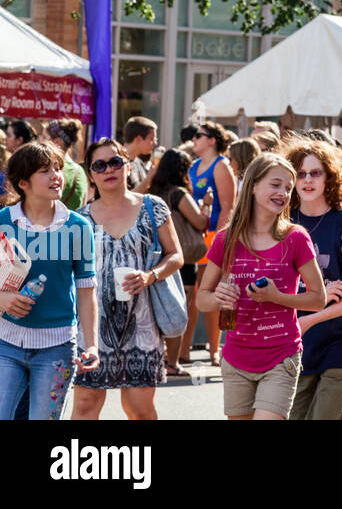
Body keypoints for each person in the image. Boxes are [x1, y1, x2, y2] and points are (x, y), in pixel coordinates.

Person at [196, 154, 326, 420]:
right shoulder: (226, 239)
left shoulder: (296, 238)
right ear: (253, 186)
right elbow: (202, 299)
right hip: (235, 356)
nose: (284, 193)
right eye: (276, 184)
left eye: (289, 188)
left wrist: (276, 296)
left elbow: (318, 299)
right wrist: (217, 297)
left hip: (281, 356)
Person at [70, 138, 184, 420]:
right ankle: (75, 463)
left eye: (115, 161)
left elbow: (176, 255)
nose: (109, 169)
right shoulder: (79, 219)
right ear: (91, 174)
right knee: (85, 405)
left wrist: (150, 275)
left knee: (139, 410)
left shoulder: (152, 207)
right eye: (100, 165)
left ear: (127, 166)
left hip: (142, 326)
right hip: (93, 327)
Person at [0, 142, 100, 419]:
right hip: (4, 344)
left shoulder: (78, 227)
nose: (56, 175)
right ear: (23, 183)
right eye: (45, 170)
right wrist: (2, 299)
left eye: (58, 168)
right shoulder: (3, 222)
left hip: (57, 349)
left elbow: (86, 291)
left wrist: (91, 344)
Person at [284, 137, 342, 420]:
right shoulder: (283, 223)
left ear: (329, 177)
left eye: (315, 172)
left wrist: (309, 318)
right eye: (300, 173)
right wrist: (316, 291)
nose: (307, 180)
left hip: (340, 342)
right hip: (293, 344)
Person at [151, 149, 211, 374]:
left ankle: (158, 358)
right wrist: (206, 204)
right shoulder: (178, 194)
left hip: (155, 257)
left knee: (156, 308)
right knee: (177, 308)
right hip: (181, 259)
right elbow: (199, 222)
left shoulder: (152, 192)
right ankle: (171, 363)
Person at [189, 123, 237, 365]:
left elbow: (229, 205)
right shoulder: (195, 166)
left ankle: (214, 350)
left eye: (199, 135)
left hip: (213, 236)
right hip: (196, 235)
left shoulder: (221, 165)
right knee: (195, 293)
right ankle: (184, 351)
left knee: (211, 292)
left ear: (212, 140)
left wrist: (221, 241)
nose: (193, 139)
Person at [44, 119, 88, 210]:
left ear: (57, 142)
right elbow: (84, 205)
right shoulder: (80, 171)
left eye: (44, 137)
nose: (39, 141)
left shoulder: (46, 170)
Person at [121, 117, 158, 190]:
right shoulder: (117, 165)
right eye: (151, 139)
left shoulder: (139, 163)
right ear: (138, 139)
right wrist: (149, 178)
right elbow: (125, 198)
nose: (155, 143)